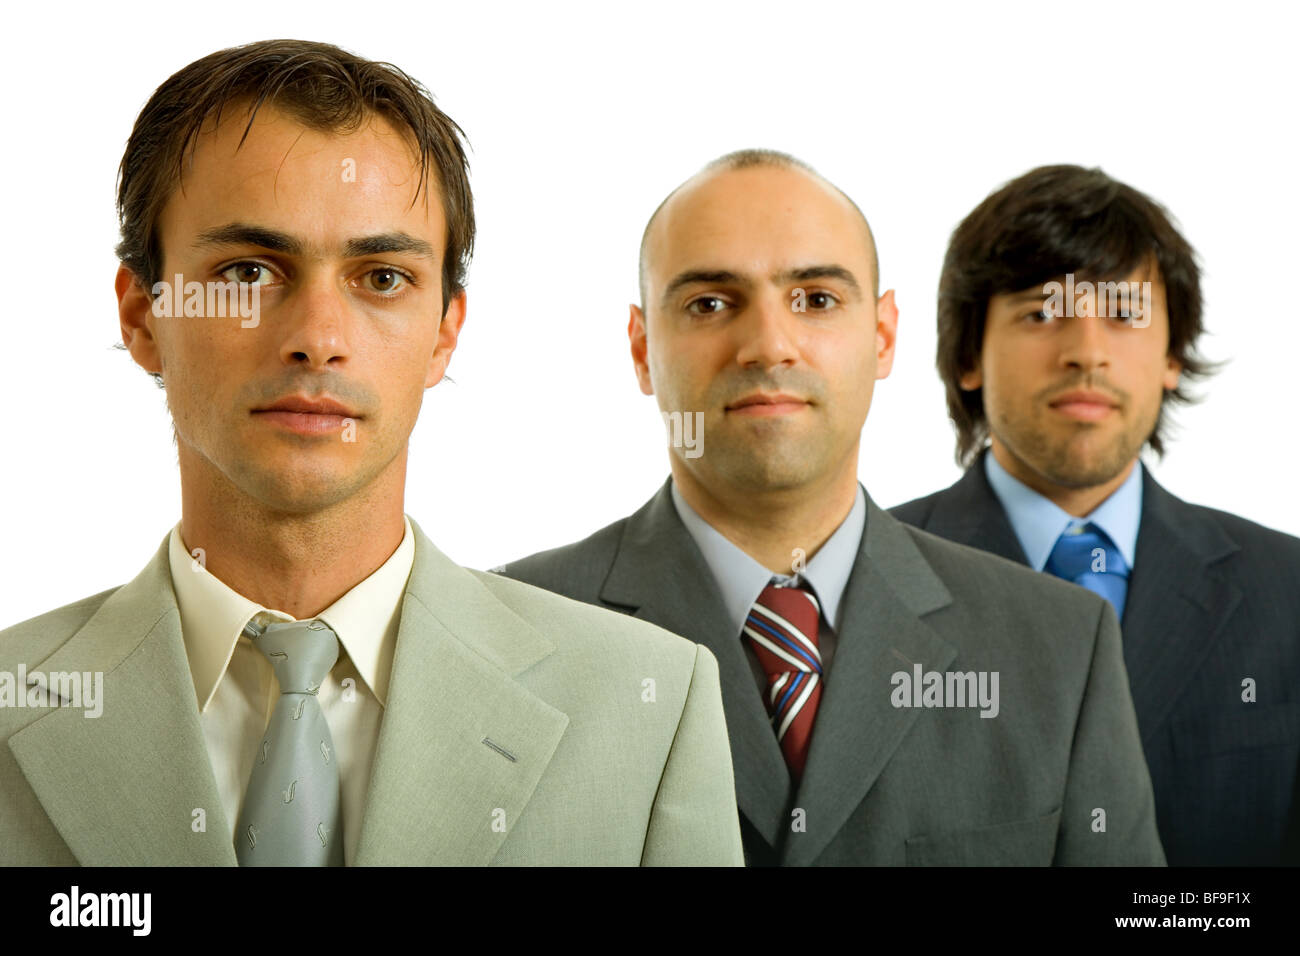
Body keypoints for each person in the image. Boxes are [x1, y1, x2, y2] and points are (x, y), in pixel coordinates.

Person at [0, 39, 743, 867]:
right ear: (142, 317)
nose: (318, 340)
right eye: (249, 271)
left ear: (443, 334)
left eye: (381, 277)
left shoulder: (647, 710)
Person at [499, 149, 1165, 865]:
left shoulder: (1059, 645)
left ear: (882, 337)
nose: (768, 345)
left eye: (815, 299)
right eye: (710, 303)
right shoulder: (504, 631)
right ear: (641, 348)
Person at [889, 164, 1300, 866]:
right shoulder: (864, 581)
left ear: (1171, 355)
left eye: (1124, 315)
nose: (1086, 353)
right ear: (968, 357)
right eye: (1042, 314)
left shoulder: (1288, 591)